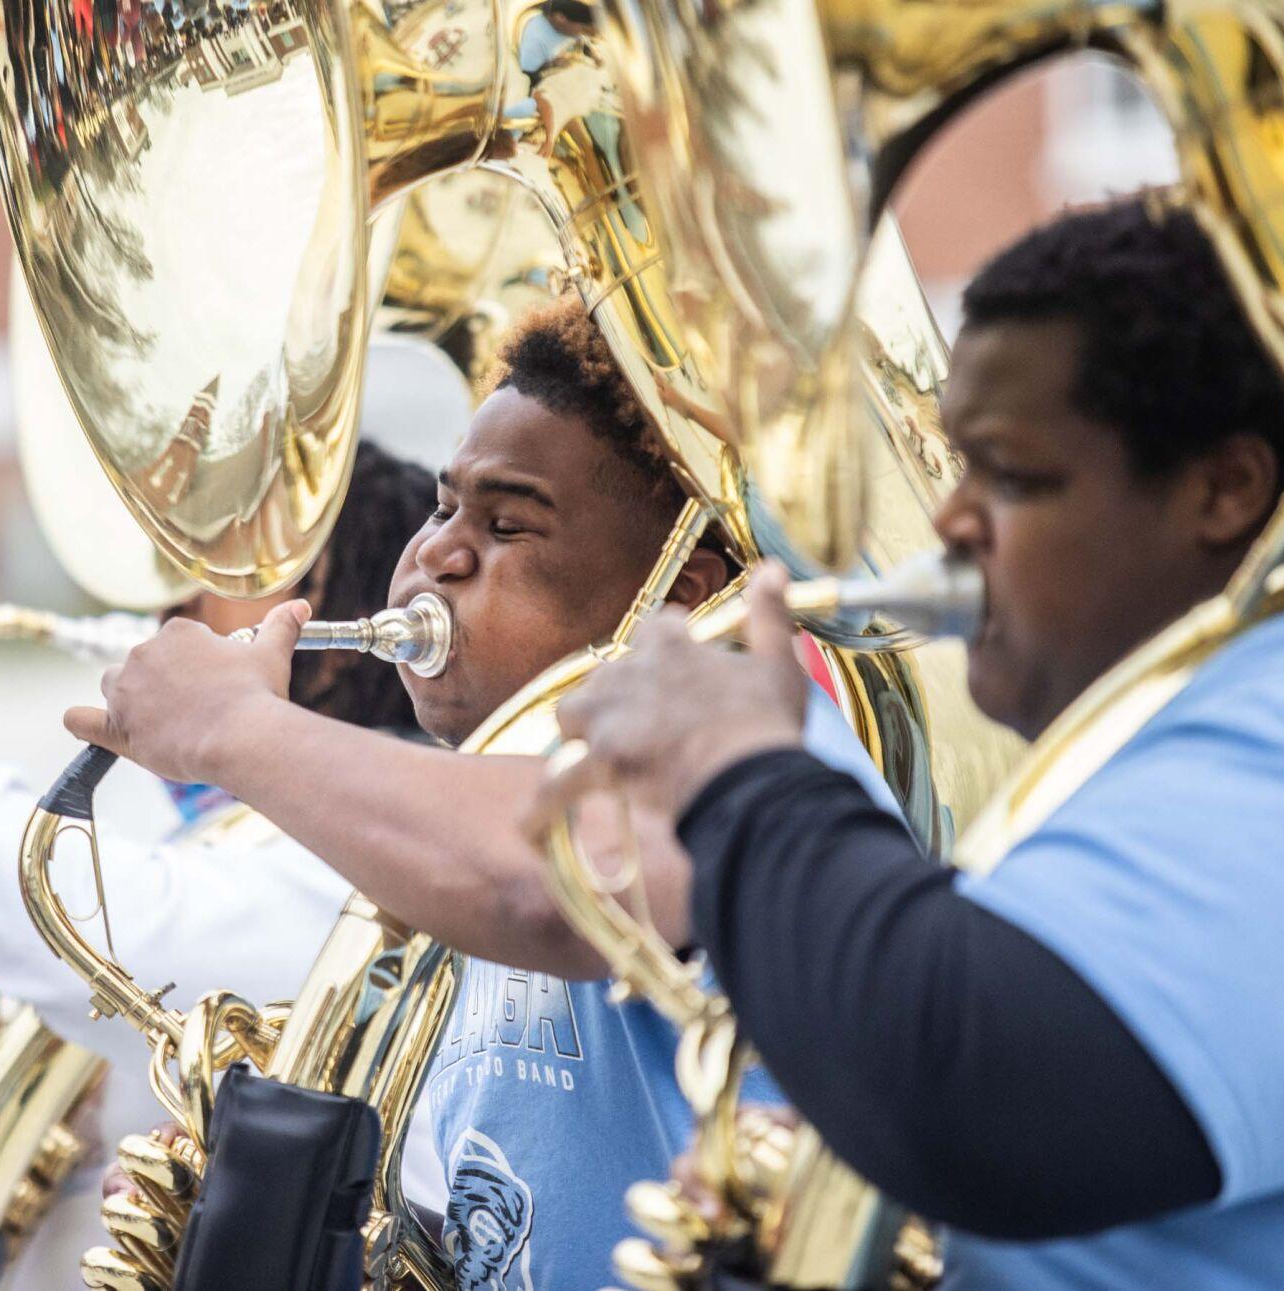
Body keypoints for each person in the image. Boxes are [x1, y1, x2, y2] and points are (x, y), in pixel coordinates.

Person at [540, 199, 1284, 1287]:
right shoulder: (1188, 742)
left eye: (1011, 474)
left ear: (1223, 488)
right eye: (957, 465)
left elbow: (973, 1088)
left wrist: (740, 769)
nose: (949, 521)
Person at [69, 293, 873, 1289]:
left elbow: (552, 887)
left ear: (680, 593)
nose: (437, 554)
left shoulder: (762, 737)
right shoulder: (472, 796)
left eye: (507, 525)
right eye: (443, 507)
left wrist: (233, 729)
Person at [0, 440, 440, 1283]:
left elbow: (109, 933)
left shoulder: (385, 831)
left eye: (238, 566)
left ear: (336, 612)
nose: (176, 597)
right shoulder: (224, 823)